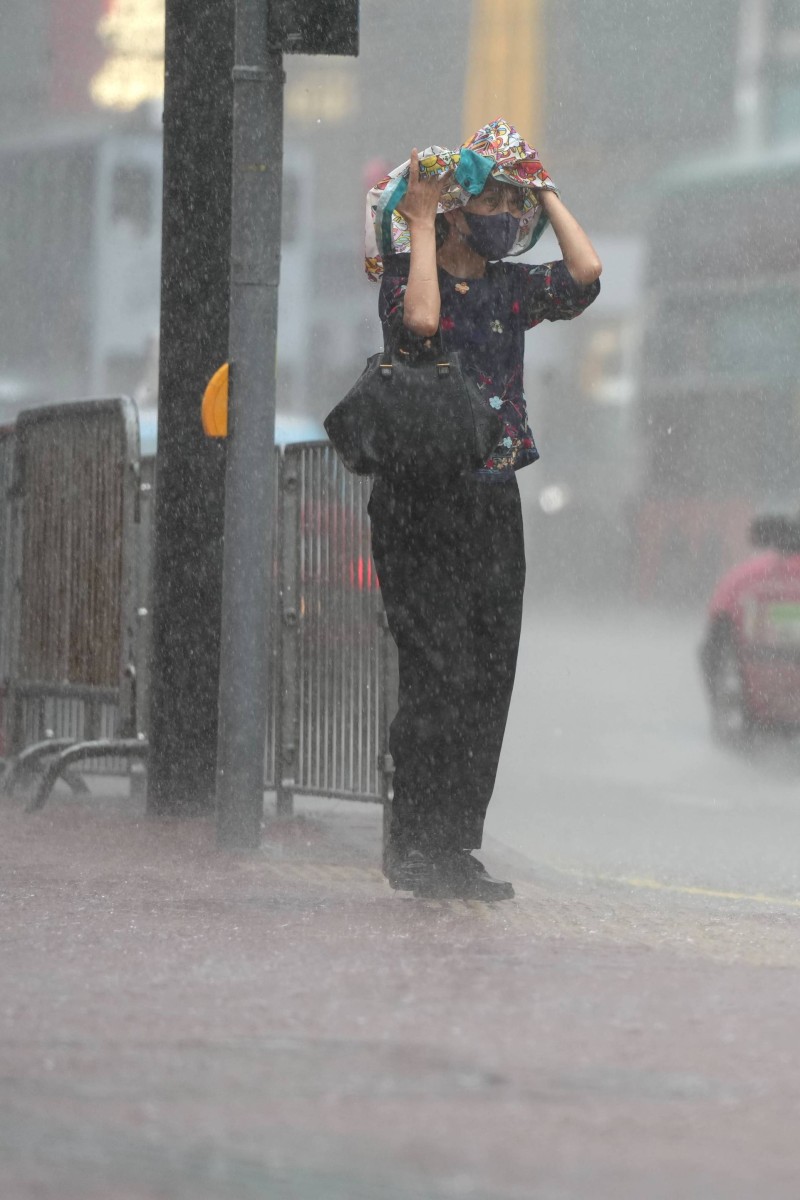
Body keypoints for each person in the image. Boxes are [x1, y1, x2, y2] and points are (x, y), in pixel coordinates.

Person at [364, 119, 601, 900]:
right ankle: (413, 844)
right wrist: (421, 221)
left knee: (487, 679)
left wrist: (544, 187)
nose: (506, 216)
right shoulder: (409, 275)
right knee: (436, 675)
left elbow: (586, 273)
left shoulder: (513, 290)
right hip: (419, 502)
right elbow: (422, 326)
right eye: (492, 201)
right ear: (457, 209)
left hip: (492, 501)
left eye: (512, 205)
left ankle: (456, 846)